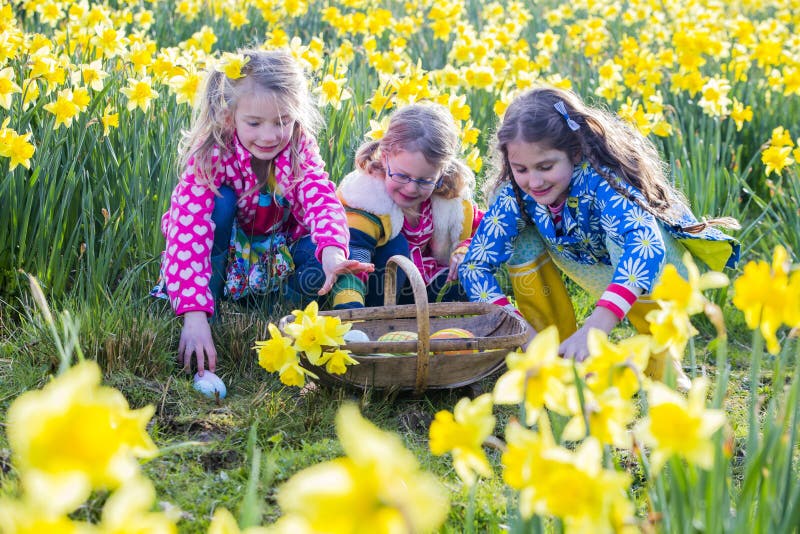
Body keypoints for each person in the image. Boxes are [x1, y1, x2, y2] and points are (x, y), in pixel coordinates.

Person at [459, 86, 739, 382]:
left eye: (545, 166)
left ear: (575, 152)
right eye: (521, 169)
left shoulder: (603, 182)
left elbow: (645, 250)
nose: (535, 180)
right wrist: (519, 331)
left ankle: (661, 359)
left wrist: (596, 326)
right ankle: (556, 355)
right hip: (596, 268)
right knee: (521, 241)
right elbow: (474, 267)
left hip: (664, 270)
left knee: (636, 239)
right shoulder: (515, 194)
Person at [152, 49, 372, 375]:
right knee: (218, 202)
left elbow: (320, 198)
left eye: (282, 121)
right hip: (224, 258)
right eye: (254, 123)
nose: (269, 136)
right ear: (229, 116)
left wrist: (332, 252)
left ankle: (276, 310)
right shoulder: (211, 153)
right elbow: (189, 233)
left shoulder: (298, 145)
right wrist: (194, 316)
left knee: (322, 250)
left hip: (273, 256)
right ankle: (206, 307)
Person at [330, 103, 484, 309]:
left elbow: (485, 230)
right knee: (396, 246)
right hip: (376, 290)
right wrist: (350, 312)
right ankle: (381, 317)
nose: (411, 188)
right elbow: (354, 257)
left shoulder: (448, 201)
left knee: (467, 276)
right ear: (384, 157)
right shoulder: (367, 198)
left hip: (422, 287)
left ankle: (431, 318)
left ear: (441, 173)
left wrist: (464, 252)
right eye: (402, 176)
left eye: (425, 180)